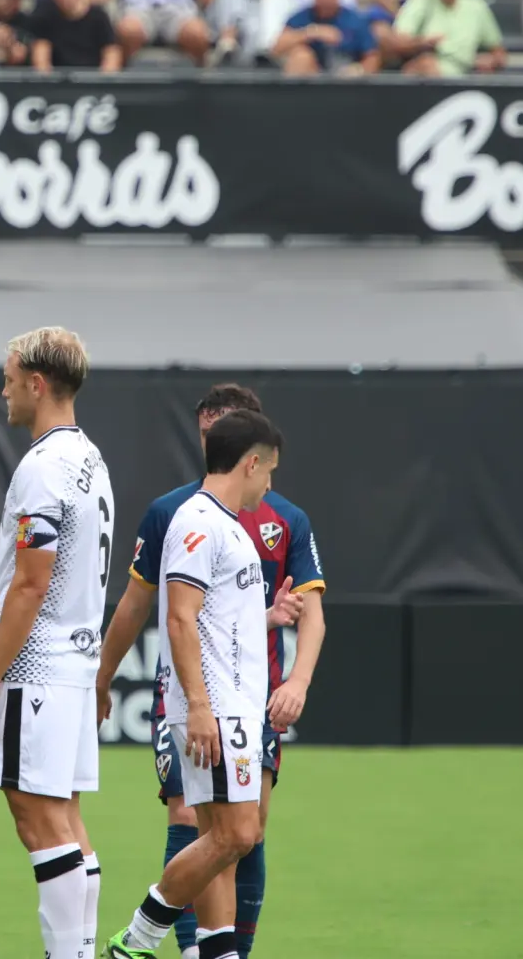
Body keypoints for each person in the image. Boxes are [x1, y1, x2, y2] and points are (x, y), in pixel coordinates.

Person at [97, 384, 325, 959]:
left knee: (225, 837)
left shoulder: (225, 521)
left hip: (234, 708)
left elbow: (215, 613)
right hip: (216, 710)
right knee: (234, 835)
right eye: (267, 471)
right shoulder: (198, 522)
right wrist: (199, 708)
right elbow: (178, 619)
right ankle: (139, 937)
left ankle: (213, 953)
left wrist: (266, 615)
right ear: (249, 463)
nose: (270, 484)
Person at [0, 326, 112, 959]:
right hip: (75, 661)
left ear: (36, 382)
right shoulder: (90, 458)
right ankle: (77, 950)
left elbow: (31, 580)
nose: (2, 392)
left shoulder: (43, 466)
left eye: (7, 378)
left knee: (37, 818)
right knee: (67, 819)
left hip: (38, 664)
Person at [396, 0, 506, 73]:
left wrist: (492, 60)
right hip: (427, 64)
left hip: (465, 70)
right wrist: (422, 43)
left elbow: (498, 50)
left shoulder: (477, 7)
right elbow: (400, 42)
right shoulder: (419, 3)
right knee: (423, 64)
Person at [29, 0, 123, 70]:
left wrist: (103, 81)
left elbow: (111, 53)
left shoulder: (99, 17)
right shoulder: (45, 16)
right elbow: (41, 57)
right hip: (59, 80)